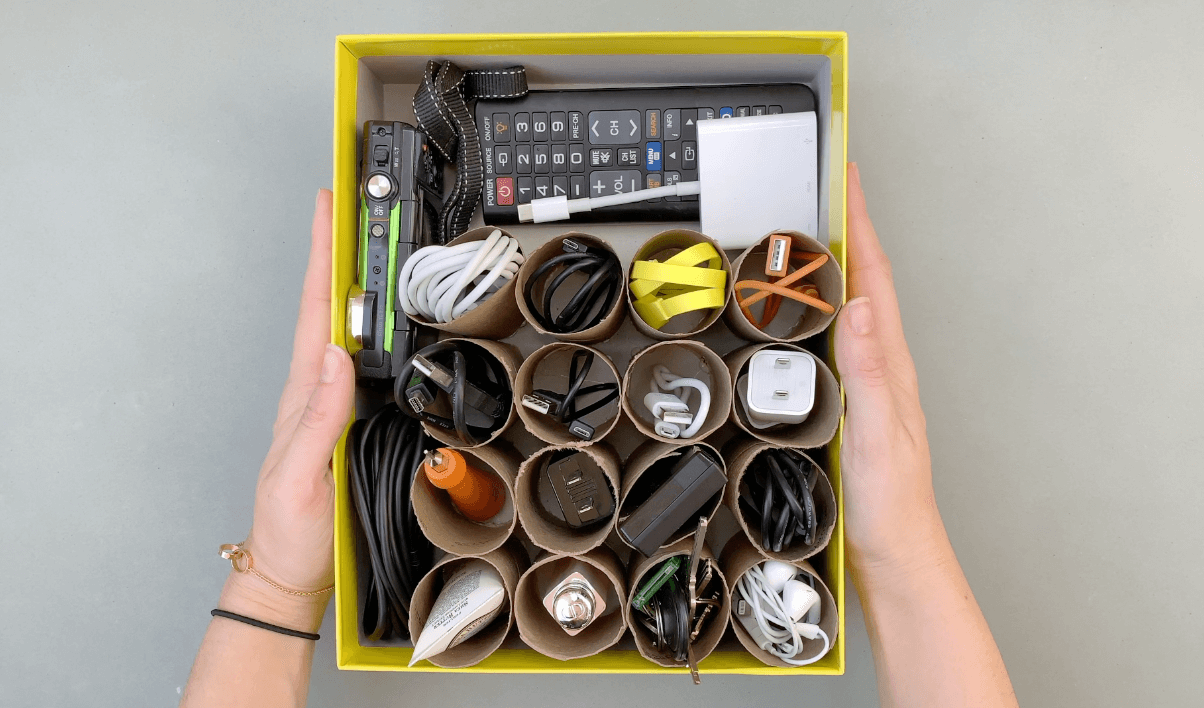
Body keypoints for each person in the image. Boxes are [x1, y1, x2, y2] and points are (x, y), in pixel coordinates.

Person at [181, 164, 1020, 708]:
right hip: (574, 458)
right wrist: (903, 554)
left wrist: (273, 591)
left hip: (612, 456)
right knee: (560, 464)